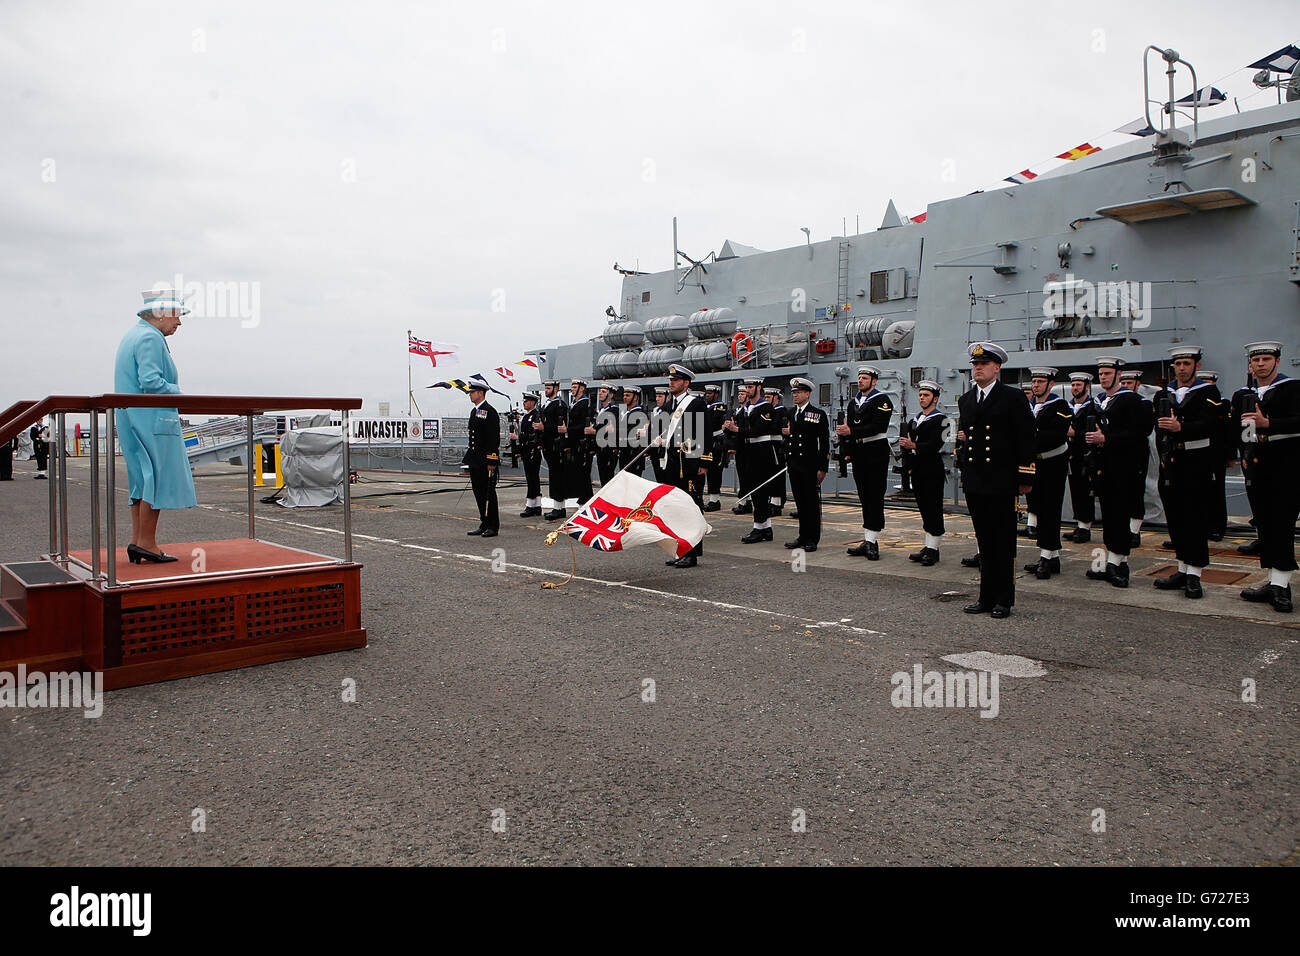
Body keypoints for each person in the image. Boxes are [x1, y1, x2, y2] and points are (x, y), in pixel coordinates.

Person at [113, 287, 198, 563]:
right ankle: (147, 542)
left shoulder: (133, 335)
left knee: (140, 478)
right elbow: (151, 382)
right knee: (154, 478)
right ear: (161, 314)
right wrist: (180, 393)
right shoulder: (150, 338)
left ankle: (139, 540)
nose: (179, 322)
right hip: (150, 418)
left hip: (132, 417)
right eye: (176, 315)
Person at [955, 342, 1035, 618]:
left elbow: (1026, 438)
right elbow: (964, 437)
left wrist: (1026, 475)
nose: (977, 368)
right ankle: (985, 597)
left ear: (996, 368)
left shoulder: (1012, 397)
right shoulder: (965, 400)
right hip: (976, 480)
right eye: (975, 364)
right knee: (984, 542)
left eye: (984, 364)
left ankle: (1004, 599)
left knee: (1003, 542)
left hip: (1002, 479)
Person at [1151, 346, 1222, 600]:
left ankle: (1194, 575)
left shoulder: (1209, 392)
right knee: (1176, 518)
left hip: (1195, 462)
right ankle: (1182, 568)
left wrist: (1181, 427)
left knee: (1195, 519)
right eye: (1178, 364)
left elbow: (1211, 424)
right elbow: (1158, 428)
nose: (1182, 368)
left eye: (1186, 363)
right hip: (1171, 462)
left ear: (1197, 366)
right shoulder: (1164, 393)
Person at [1237, 341, 1298, 612]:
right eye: (1256, 360)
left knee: (1282, 527)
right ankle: (1273, 582)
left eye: (1265, 358)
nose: (1260, 363)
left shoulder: (1293, 389)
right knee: (1266, 526)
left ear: (1277, 361)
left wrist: (1268, 424)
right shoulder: (1245, 395)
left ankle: (1283, 587)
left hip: (1285, 467)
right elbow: (1239, 431)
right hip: (1257, 468)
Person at [1084, 357, 1148, 588]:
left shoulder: (1131, 401)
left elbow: (1137, 434)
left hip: (1123, 468)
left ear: (1118, 375)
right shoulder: (1100, 401)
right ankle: (1110, 562)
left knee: (1120, 516)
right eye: (1101, 374)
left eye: (1108, 373)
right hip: (1104, 468)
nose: (1104, 377)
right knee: (1109, 517)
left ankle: (1121, 565)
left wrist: (1105, 439)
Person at [838, 366, 894, 560]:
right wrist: (847, 452)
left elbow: (878, 426)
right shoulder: (854, 403)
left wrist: (851, 432)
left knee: (875, 496)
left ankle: (872, 542)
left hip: (875, 451)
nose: (860, 381)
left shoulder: (882, 401)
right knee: (863, 495)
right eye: (859, 378)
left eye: (865, 378)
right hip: (859, 451)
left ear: (874, 381)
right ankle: (867, 539)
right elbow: (848, 428)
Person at [1022, 367, 1072, 579]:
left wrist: (1030, 437)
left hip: (1052, 463)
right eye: (1034, 382)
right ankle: (1053, 557)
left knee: (1050, 509)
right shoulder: (1029, 406)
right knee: (1037, 509)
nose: (1036, 385)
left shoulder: (1060, 406)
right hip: (1034, 465)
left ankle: (1046, 557)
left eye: (1041, 382)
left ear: (1050, 384)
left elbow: (1056, 434)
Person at [660, 364, 709, 568]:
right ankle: (680, 550)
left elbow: (703, 434)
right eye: (671, 380)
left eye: (676, 380)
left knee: (691, 507)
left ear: (686, 383)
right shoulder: (669, 405)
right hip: (671, 463)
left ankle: (692, 553)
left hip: (688, 463)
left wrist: (703, 461)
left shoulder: (695, 404)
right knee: (676, 508)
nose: (671, 383)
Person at [901, 380, 948, 566]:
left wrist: (913, 445)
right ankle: (928, 546)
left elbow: (936, 445)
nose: (922, 398)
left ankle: (934, 550)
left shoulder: (942, 420)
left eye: (926, 395)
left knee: (933, 508)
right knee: (924, 508)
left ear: (935, 399)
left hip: (932, 469)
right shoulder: (915, 420)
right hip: (919, 469)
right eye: (920, 395)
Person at [783, 377, 829, 551]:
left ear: (807, 394)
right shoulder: (790, 413)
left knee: (811, 503)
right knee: (800, 502)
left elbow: (824, 443)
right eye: (794, 392)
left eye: (799, 392)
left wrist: (823, 467)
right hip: (794, 464)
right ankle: (802, 535)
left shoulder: (817, 414)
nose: (795, 395)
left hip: (809, 465)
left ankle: (812, 538)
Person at [1118, 367, 1154, 549]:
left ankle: (1134, 530)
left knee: (1136, 492)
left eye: (1129, 383)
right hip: (1119, 454)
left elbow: (1145, 430)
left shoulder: (1143, 403)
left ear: (1137, 384)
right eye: (1123, 383)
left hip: (1137, 452)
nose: (1125, 386)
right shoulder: (1114, 402)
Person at [463, 380, 500, 537]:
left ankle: (493, 525)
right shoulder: (474, 411)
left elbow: (493, 438)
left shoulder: (489, 411)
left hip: (485, 459)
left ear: (480, 393)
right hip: (475, 458)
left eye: (472, 392)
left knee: (488, 493)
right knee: (478, 491)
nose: (470, 395)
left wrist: (492, 460)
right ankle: (484, 522)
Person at [1196, 369, 1229, 542]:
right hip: (1198, 454)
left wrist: (1230, 456)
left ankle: (1217, 527)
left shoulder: (1223, 404)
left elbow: (1228, 432)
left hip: (1216, 454)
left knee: (1216, 492)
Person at [1065, 372, 1097, 542]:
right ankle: (1079, 525)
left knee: (1086, 492)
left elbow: (1093, 432)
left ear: (1087, 387)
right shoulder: (1068, 407)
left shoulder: (1093, 407)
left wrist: (1075, 434)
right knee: (1075, 491)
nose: (1075, 388)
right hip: (1071, 456)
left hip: (1085, 455)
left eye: (1078, 385)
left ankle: (1085, 528)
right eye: (1073, 385)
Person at [538, 380, 568, 521]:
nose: (546, 390)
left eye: (549, 388)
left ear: (556, 389)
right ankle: (558, 507)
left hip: (555, 445)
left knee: (557, 476)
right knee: (554, 476)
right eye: (546, 387)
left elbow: (560, 426)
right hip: (548, 445)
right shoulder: (547, 404)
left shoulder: (559, 405)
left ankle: (558, 508)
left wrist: (544, 428)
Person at [563, 378, 595, 509]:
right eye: (572, 387)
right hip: (574, 443)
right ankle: (583, 500)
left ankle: (586, 501)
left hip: (582, 444)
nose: (572, 389)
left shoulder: (585, 404)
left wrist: (568, 430)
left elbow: (583, 425)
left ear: (582, 389)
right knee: (578, 474)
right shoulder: (574, 404)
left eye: (575, 387)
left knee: (583, 474)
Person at [516, 391, 543, 517]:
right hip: (526, 450)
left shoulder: (536, 416)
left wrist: (519, 436)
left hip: (533, 450)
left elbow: (534, 434)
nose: (524, 403)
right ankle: (536, 505)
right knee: (531, 478)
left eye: (526, 401)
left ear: (532, 402)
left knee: (532, 477)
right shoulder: (526, 417)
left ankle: (531, 505)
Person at [765, 385, 789, 515]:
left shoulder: (781, 411)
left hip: (777, 446)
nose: (766, 399)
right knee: (770, 474)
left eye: (768, 397)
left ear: (776, 397)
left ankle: (777, 502)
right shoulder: (770, 411)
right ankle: (773, 500)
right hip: (769, 445)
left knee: (777, 474)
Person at [703, 383, 726, 512]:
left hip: (716, 442)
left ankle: (714, 500)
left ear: (716, 394)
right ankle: (711, 498)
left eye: (710, 393)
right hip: (707, 441)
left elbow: (712, 422)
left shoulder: (719, 407)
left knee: (714, 471)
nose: (708, 396)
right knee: (707, 471)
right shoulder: (707, 407)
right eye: (707, 393)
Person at [594, 382, 621, 487]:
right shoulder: (601, 411)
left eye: (604, 392)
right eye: (600, 391)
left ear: (611, 395)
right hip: (600, 448)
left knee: (608, 479)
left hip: (609, 449)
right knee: (603, 478)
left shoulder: (614, 410)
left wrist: (595, 429)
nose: (600, 393)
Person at [619, 386, 647, 476]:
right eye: (624, 395)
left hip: (634, 456)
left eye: (628, 395)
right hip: (625, 455)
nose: (624, 398)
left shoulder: (640, 414)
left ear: (635, 397)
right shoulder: (626, 413)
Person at [649, 387, 669, 484]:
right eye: (656, 396)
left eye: (660, 396)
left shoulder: (670, 411)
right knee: (658, 477)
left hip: (664, 448)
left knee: (665, 478)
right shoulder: (655, 411)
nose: (657, 399)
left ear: (667, 397)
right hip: (655, 449)